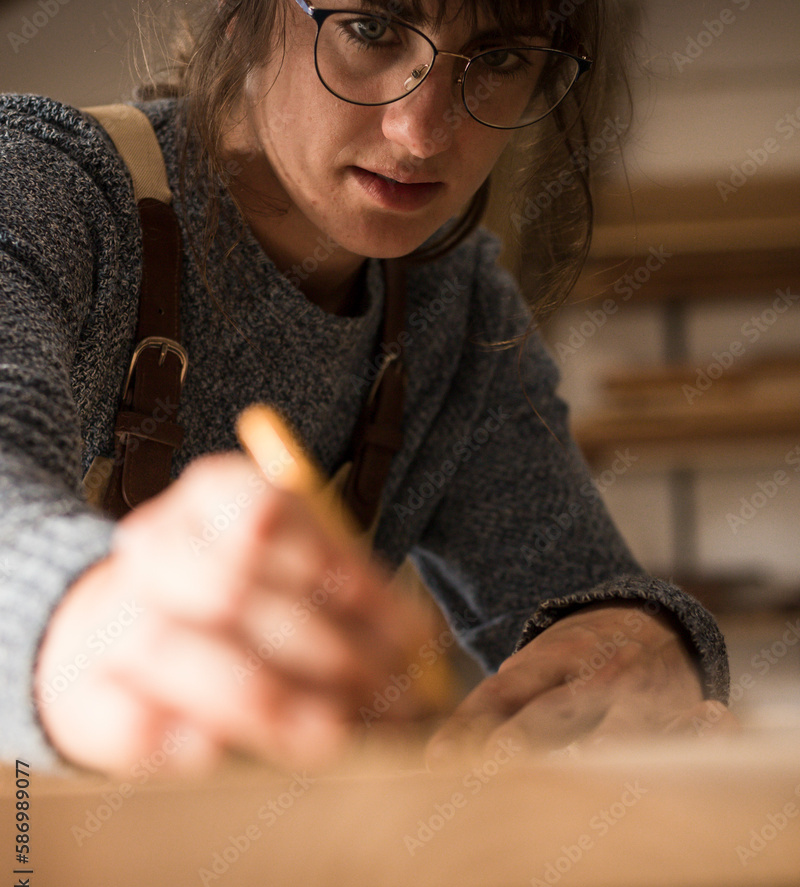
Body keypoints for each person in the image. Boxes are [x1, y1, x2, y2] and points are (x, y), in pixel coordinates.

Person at [0, 0, 732, 778]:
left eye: (500, 58)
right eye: (371, 29)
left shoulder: (456, 306)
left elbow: (578, 591)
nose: (421, 133)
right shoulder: (40, 184)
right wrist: (75, 623)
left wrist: (648, 634)